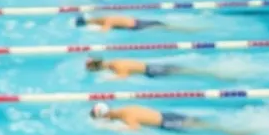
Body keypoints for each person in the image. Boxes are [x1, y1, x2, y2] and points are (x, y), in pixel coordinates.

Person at [90, 102, 252, 135]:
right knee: (205, 124)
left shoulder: (126, 116)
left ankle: (234, 131)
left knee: (205, 128)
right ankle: (233, 129)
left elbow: (135, 128)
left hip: (168, 124)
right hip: (167, 115)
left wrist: (111, 129)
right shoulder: (126, 108)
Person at [85, 58, 233, 81]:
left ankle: (219, 74)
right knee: (189, 72)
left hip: (153, 70)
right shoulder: (113, 62)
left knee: (189, 73)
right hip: (152, 68)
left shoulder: (115, 66)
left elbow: (123, 75)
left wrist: (107, 79)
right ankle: (217, 73)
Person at [74, 14, 192, 32]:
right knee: (163, 26)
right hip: (137, 22)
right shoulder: (102, 18)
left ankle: (186, 29)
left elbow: (104, 30)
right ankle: (186, 28)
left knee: (163, 28)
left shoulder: (106, 20)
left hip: (138, 25)